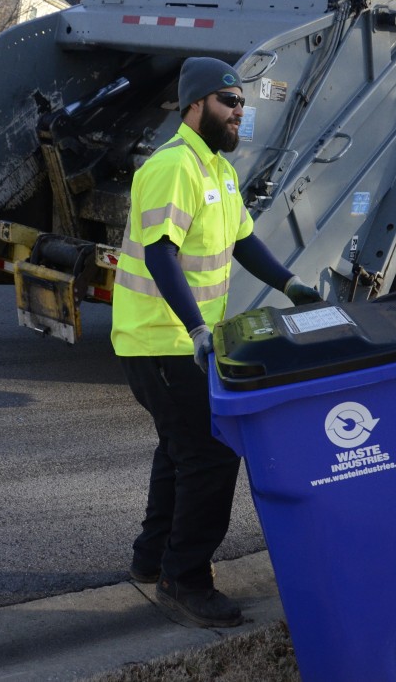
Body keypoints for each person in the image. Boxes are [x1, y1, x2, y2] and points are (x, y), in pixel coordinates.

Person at [111, 57, 322, 628]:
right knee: (210, 454)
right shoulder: (174, 165)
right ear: (196, 104)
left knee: (180, 450)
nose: (239, 113)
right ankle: (186, 581)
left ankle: (152, 560)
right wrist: (199, 329)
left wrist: (290, 284)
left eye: (242, 105)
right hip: (159, 342)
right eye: (229, 102)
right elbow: (160, 253)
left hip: (182, 346)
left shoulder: (220, 172)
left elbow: (243, 242)